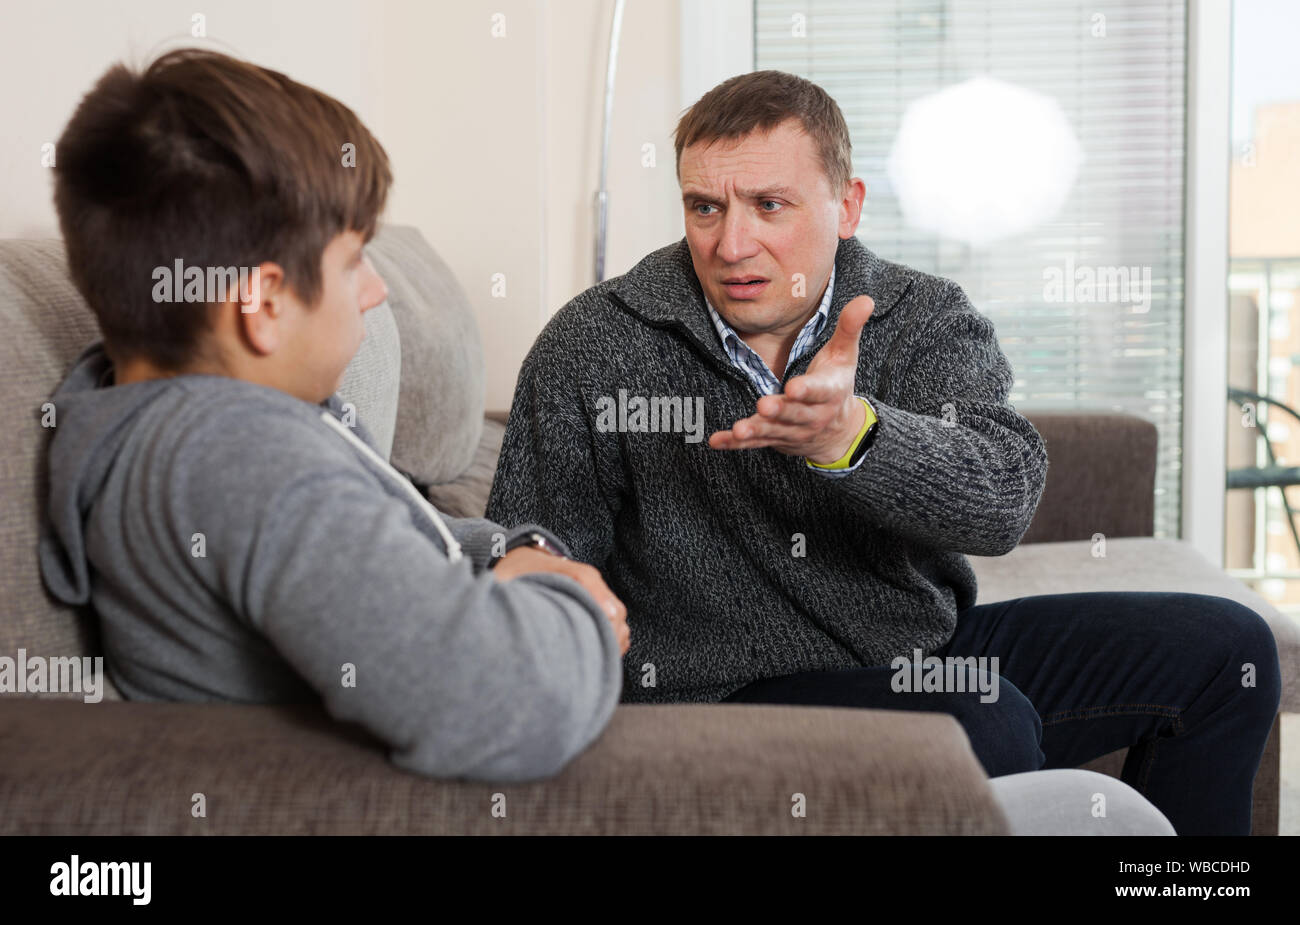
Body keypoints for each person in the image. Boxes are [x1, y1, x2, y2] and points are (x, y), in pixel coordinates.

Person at [485, 69, 1282, 834]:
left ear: (847, 205)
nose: (731, 243)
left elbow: (1002, 500)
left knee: (1226, 651)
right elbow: (531, 547)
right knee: (984, 723)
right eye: (704, 207)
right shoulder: (593, 342)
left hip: (916, 652)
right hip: (720, 693)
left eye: (770, 205)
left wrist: (853, 438)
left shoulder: (922, 315)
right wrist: (544, 566)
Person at [38, 48, 629, 783]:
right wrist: (572, 606)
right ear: (262, 307)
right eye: (354, 261)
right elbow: (505, 699)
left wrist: (510, 553)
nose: (377, 291)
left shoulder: (178, 413)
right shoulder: (235, 456)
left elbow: (399, 531)